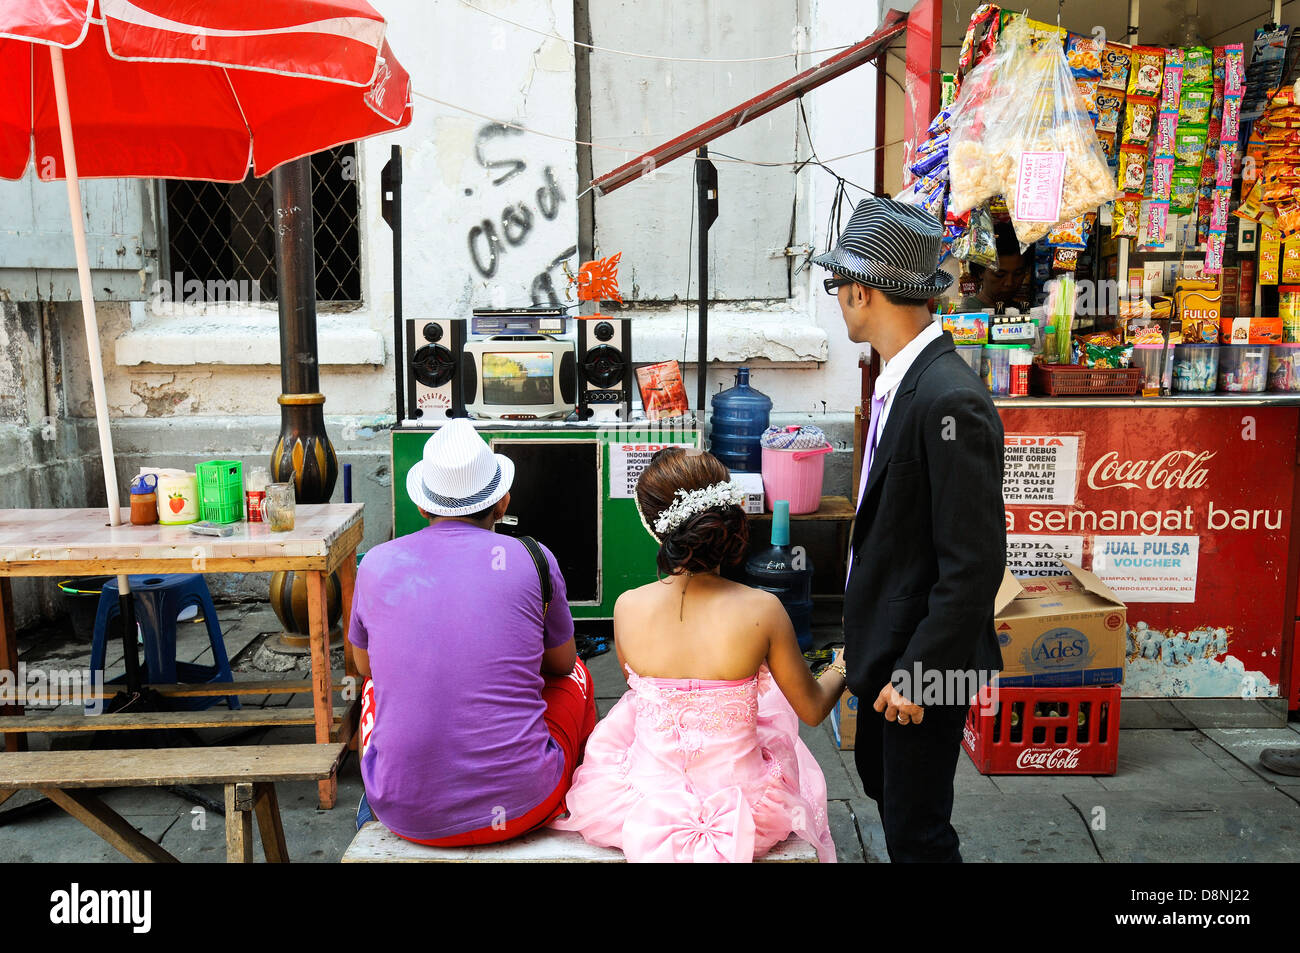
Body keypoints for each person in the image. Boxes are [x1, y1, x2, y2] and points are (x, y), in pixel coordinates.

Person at [814, 196, 1006, 862]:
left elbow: (975, 564)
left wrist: (922, 672)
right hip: (888, 650)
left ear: (861, 293)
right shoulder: (902, 381)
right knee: (893, 801)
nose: (838, 297)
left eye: (838, 285)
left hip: (921, 665)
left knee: (918, 834)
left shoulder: (949, 398)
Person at [551, 447, 842, 862]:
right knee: (776, 709)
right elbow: (811, 710)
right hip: (747, 812)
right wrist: (843, 664)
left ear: (656, 528)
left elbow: (638, 691)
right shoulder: (763, 610)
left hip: (640, 809)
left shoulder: (627, 607)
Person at [349, 418, 596, 845]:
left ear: (423, 506)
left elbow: (364, 665)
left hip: (405, 814)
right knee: (579, 675)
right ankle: (578, 789)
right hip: (525, 804)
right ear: (502, 503)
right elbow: (560, 662)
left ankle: (376, 798)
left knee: (373, 688)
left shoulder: (375, 563)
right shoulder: (533, 557)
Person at [959, 221, 1030, 313]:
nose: (1009, 283)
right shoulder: (967, 315)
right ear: (981, 272)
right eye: (999, 275)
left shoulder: (1022, 312)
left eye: (1018, 274)